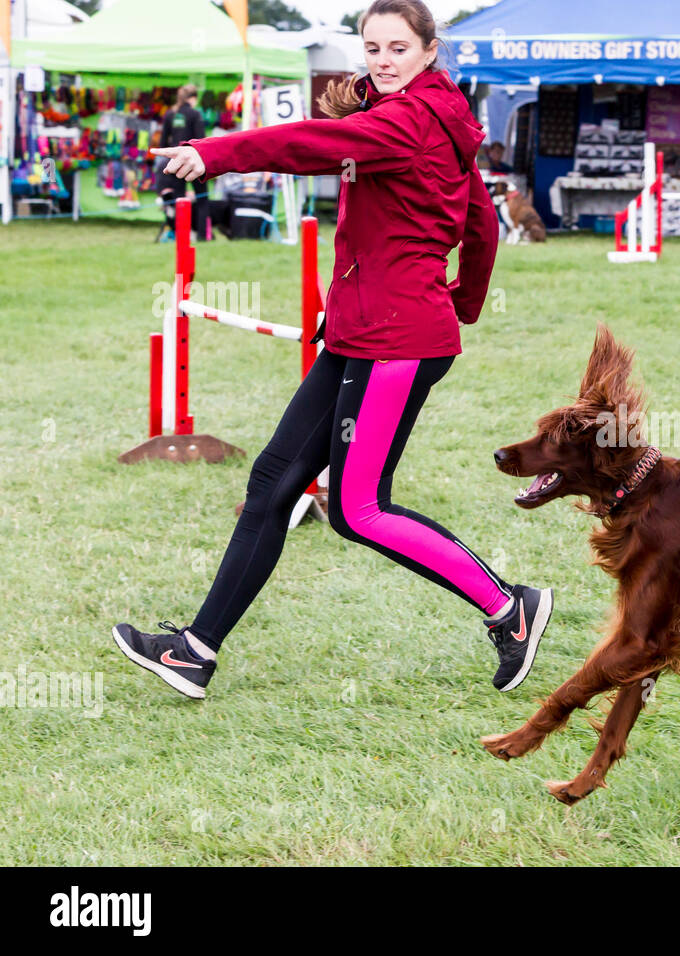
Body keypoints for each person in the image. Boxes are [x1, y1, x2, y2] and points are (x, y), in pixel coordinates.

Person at [114, 0, 552, 700]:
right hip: (365, 330)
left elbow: (303, 145)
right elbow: (481, 227)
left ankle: (511, 608)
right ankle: (193, 652)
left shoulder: (407, 122)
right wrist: (459, 307)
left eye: (398, 48)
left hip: (395, 339)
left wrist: (215, 154)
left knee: (358, 509)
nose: (382, 60)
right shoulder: (434, 118)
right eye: (372, 47)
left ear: (430, 52)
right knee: (273, 480)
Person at [156, 84, 211, 241]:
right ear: (193, 98)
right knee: (202, 199)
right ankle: (202, 235)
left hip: (175, 160)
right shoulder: (195, 114)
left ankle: (181, 235)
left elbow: (162, 141)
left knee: (179, 200)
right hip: (194, 160)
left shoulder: (169, 114)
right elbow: (201, 139)